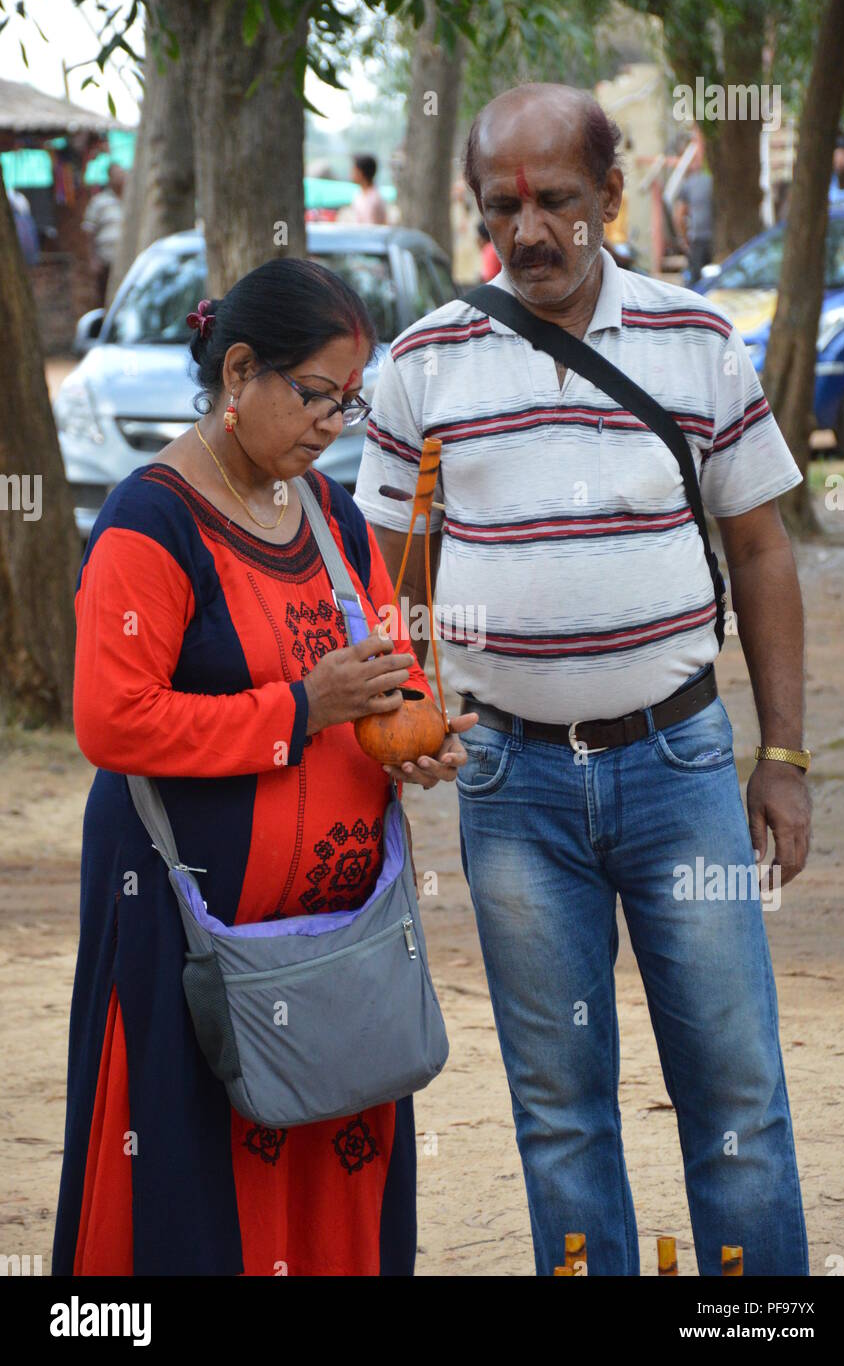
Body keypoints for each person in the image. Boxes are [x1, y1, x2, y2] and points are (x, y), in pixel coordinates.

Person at [354, 82, 811, 1276]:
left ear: (612, 197)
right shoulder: (422, 365)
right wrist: (411, 705)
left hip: (683, 770)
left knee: (739, 1097)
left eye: (558, 199)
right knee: (559, 1107)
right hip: (510, 787)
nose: (530, 229)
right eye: (503, 205)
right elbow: (394, 571)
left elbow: (762, 551)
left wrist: (785, 756)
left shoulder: (698, 341)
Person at [52, 258, 474, 1277]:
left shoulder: (327, 513)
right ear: (239, 372)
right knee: (195, 1192)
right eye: (316, 394)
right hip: (194, 936)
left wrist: (414, 730)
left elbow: (386, 664)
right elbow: (115, 722)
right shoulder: (149, 519)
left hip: (341, 949)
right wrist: (298, 708)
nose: (336, 421)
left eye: (351, 398)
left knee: (336, 1182)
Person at [81, 162, 126, 304]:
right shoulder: (99, 202)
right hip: (106, 261)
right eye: (117, 175)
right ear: (109, 178)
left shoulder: (131, 201)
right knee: (107, 300)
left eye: (122, 174)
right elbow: (89, 232)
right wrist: (92, 259)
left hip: (128, 261)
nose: (121, 178)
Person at [674, 135, 713, 284]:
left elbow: (679, 216)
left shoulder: (689, 184)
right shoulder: (712, 181)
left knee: (697, 284)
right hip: (714, 239)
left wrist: (684, 239)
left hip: (697, 240)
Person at [350, 154, 387, 225]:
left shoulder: (375, 198)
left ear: (361, 173)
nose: (351, 174)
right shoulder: (359, 194)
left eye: (354, 171)